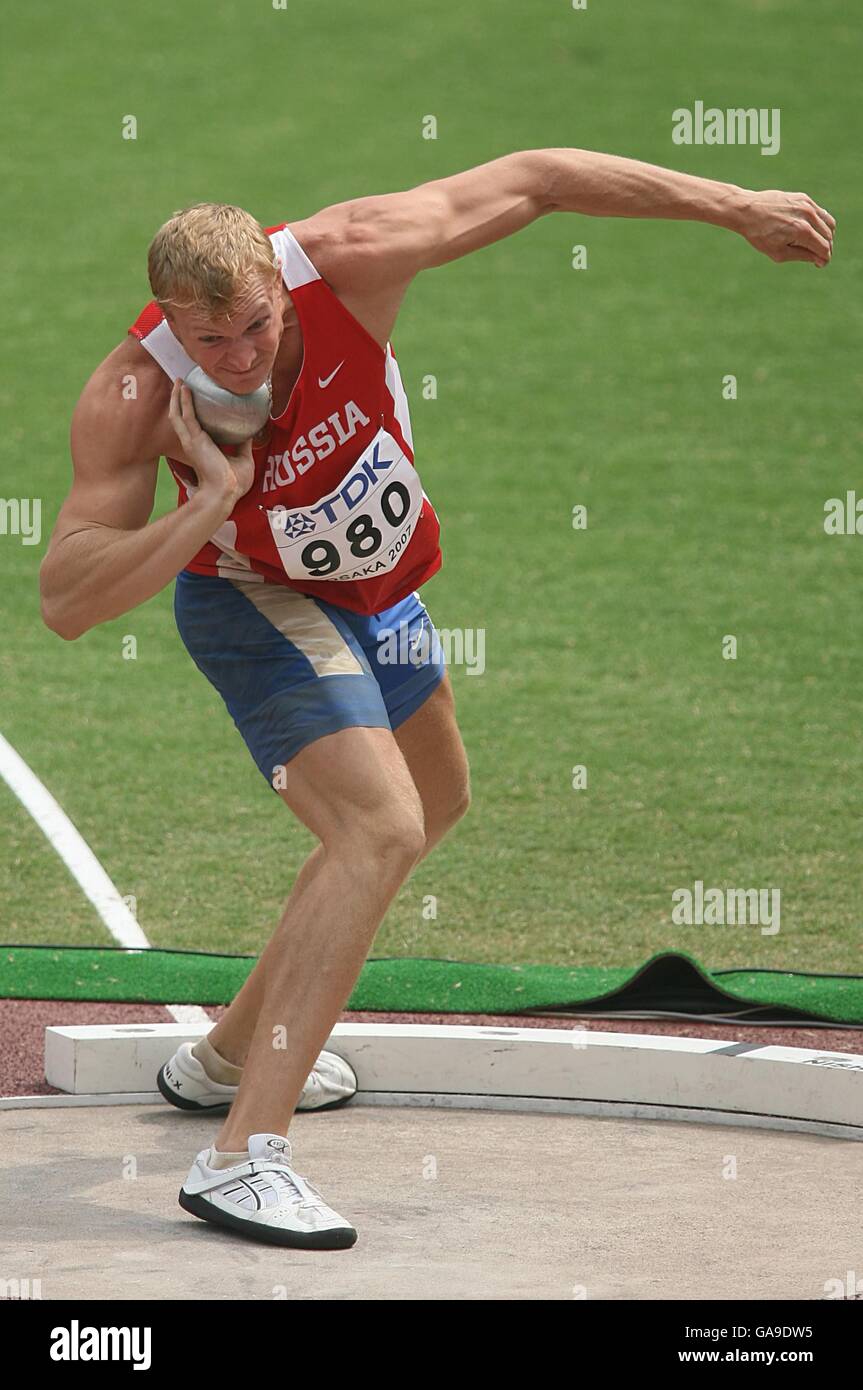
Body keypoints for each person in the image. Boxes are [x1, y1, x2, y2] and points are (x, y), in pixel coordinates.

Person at [39, 149, 834, 1250]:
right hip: (252, 596)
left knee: (434, 797)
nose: (239, 359)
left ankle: (224, 1058)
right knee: (376, 827)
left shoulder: (353, 254)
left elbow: (543, 175)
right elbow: (68, 598)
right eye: (209, 340)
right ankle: (243, 1160)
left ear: (277, 284)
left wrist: (733, 205)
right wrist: (205, 504)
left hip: (371, 585)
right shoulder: (133, 390)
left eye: (256, 329)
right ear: (169, 319)